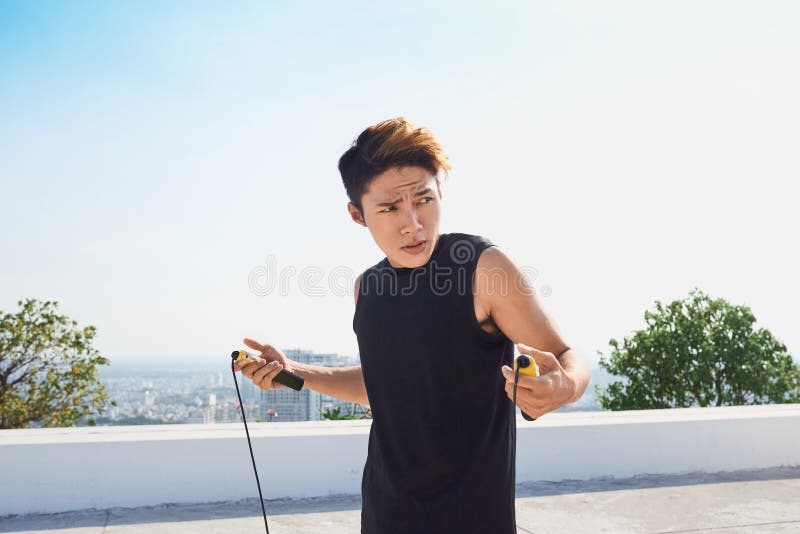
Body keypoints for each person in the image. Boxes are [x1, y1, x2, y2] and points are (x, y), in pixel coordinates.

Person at [236, 117, 590, 534]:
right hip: (385, 515)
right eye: (389, 208)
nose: (413, 223)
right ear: (357, 214)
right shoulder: (367, 288)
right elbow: (383, 386)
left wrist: (564, 386)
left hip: (474, 520)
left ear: (439, 192)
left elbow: (567, 358)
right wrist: (294, 374)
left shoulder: (481, 267)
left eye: (423, 200)